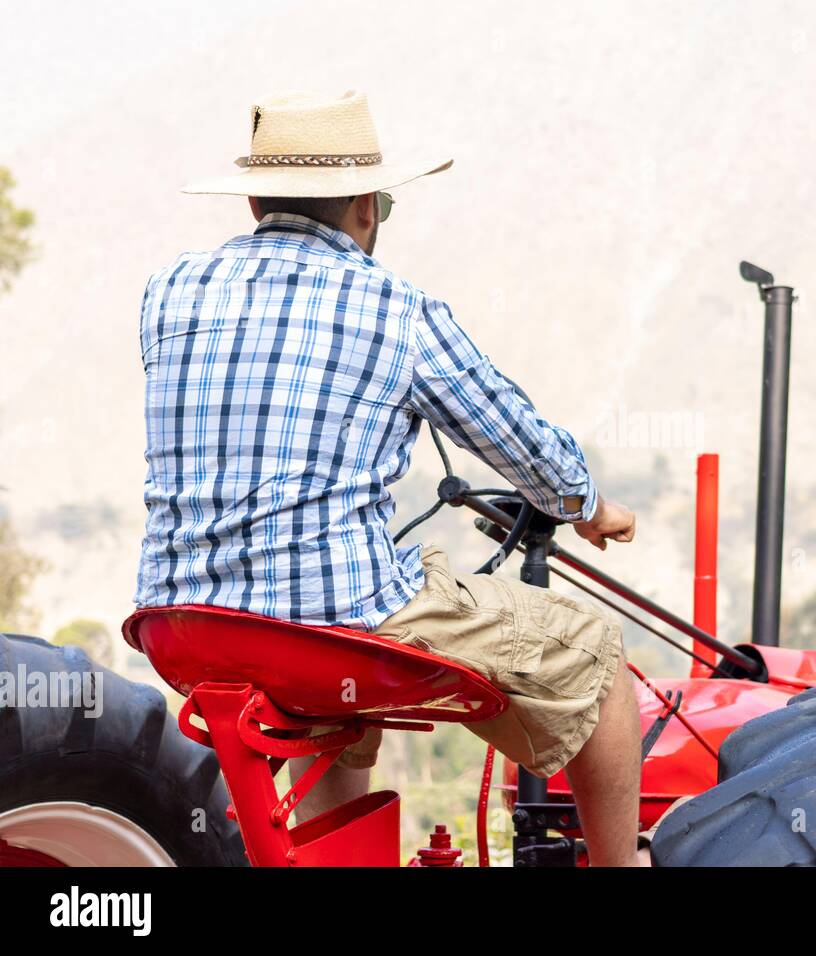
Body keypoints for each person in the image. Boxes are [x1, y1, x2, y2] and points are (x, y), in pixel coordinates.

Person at [135, 91, 643, 866]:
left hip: (184, 625)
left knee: (325, 669)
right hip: (325, 616)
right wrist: (586, 505)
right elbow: (519, 442)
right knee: (599, 656)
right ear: (367, 206)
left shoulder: (168, 292)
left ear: (252, 199)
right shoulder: (395, 309)